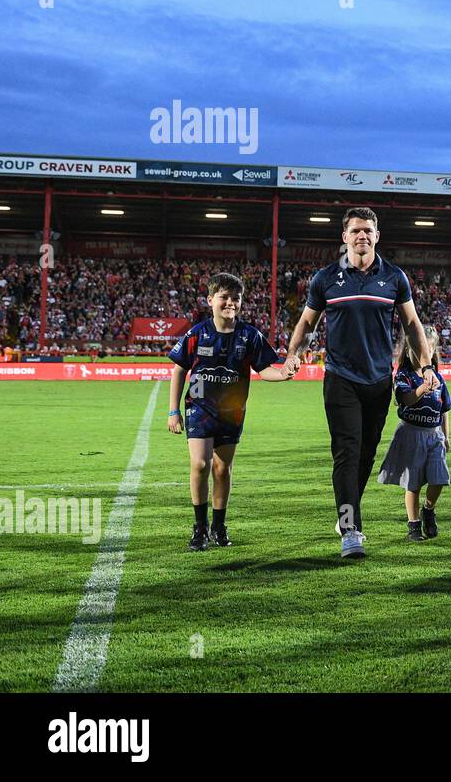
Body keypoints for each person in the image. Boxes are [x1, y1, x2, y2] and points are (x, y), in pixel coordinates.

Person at [284, 207, 433, 559]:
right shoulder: (326, 279)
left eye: (368, 230)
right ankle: (351, 529)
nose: (362, 236)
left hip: (380, 381)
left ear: (377, 236)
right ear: (345, 237)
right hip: (341, 379)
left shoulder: (395, 278)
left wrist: (427, 365)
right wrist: (294, 353)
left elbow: (412, 325)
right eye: (355, 231)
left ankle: (345, 510)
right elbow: (306, 324)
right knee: (347, 454)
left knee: (366, 455)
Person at [167, 272, 294, 551]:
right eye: (224, 297)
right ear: (210, 300)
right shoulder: (196, 334)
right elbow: (179, 370)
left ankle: (218, 526)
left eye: (235, 298)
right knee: (200, 464)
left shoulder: (250, 336)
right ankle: (199, 528)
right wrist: (173, 411)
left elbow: (265, 370)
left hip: (232, 413)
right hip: (199, 409)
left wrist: (283, 373)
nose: (230, 303)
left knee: (222, 469)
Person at [378, 328, 451, 542]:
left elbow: (444, 408)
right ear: (409, 349)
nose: (423, 352)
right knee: (414, 483)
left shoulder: (439, 378)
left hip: (434, 435)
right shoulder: (404, 376)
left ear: (433, 350)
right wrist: (422, 389)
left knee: (439, 478)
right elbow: (405, 399)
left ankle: (429, 509)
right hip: (411, 435)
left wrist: (446, 436)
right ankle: (413, 525)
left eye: (427, 348)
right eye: (418, 348)